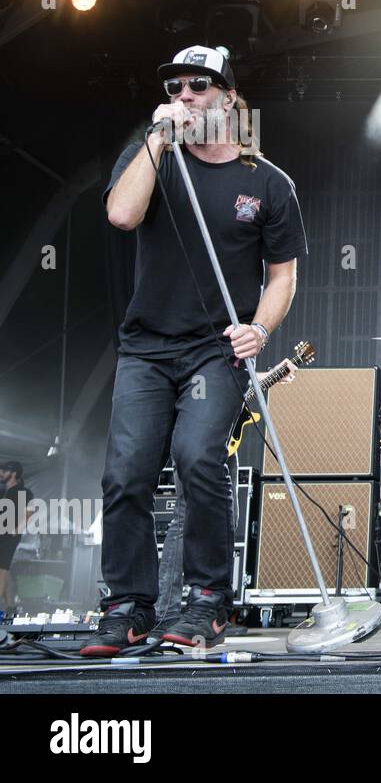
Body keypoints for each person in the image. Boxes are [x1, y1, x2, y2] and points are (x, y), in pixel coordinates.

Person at [82, 46, 308, 657]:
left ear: (229, 98)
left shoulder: (267, 182)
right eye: (176, 86)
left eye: (199, 86)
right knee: (125, 473)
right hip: (147, 348)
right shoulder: (153, 158)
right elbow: (122, 215)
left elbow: (282, 277)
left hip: (215, 349)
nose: (185, 95)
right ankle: (128, 606)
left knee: (197, 458)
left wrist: (259, 329)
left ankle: (207, 599)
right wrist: (158, 139)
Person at [154, 357, 298, 635]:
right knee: (184, 517)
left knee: (227, 520)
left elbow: (235, 387)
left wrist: (269, 374)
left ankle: (215, 614)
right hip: (194, 440)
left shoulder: (232, 355)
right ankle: (165, 611)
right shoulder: (197, 350)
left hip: (220, 443)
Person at [0, 462, 33, 617]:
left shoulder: (24, 492)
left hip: (10, 535)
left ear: (13, 473)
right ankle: (10, 607)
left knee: (2, 569)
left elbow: (29, 512)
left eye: (5, 470)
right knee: (4, 571)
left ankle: (7, 606)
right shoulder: (3, 491)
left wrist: (18, 529)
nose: (1, 473)